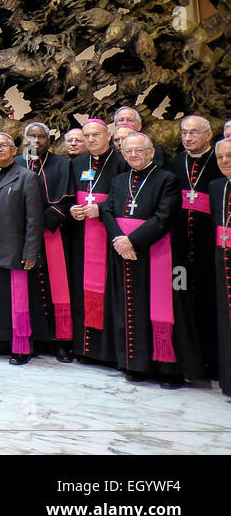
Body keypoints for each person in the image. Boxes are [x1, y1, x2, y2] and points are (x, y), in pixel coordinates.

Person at [101, 132, 202, 386]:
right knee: (127, 307)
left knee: (164, 309)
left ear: (151, 152)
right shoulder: (119, 179)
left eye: (139, 150)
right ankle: (134, 364)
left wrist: (131, 241)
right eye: (128, 151)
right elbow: (108, 211)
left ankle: (168, 370)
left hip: (156, 253)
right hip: (123, 252)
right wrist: (118, 241)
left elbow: (164, 217)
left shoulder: (167, 179)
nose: (133, 155)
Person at [0, 132, 48, 365]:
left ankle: (20, 348)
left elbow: (34, 219)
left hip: (12, 247)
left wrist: (30, 252)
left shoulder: (27, 177)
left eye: (4, 146)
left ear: (15, 151)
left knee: (14, 299)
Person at [67, 118, 124, 363]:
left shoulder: (121, 162)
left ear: (107, 135)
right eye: (87, 136)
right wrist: (72, 209)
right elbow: (70, 193)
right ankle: (83, 348)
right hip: (81, 233)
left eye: (96, 135)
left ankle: (107, 351)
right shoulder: (79, 162)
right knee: (79, 287)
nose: (91, 140)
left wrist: (100, 209)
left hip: (108, 233)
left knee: (108, 291)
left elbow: (124, 196)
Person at [166, 114, 218, 380]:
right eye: (184, 132)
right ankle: (184, 359)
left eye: (194, 132)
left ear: (208, 135)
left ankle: (210, 361)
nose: (187, 137)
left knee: (209, 303)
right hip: (179, 251)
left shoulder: (219, 163)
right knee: (181, 299)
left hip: (210, 250)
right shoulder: (175, 162)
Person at [19, 121, 73, 360]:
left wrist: (38, 223)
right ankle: (26, 337)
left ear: (49, 140)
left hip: (51, 233)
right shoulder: (17, 163)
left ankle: (59, 341)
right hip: (20, 235)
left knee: (56, 289)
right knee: (24, 290)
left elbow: (66, 200)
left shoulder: (62, 165)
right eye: (32, 137)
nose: (37, 141)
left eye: (41, 137)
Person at [210, 137, 231, 396]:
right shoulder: (217, 186)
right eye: (221, 157)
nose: (225, 161)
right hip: (223, 259)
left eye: (230, 156)